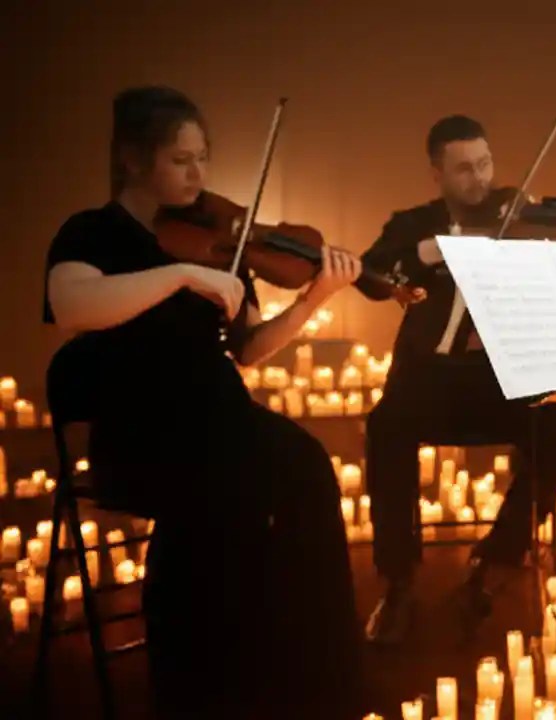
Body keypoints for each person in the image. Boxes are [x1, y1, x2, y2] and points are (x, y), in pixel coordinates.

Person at [42, 86, 366, 718]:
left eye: (202, 159)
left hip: (220, 415)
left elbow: (247, 348)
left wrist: (313, 299)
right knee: (225, 492)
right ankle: (201, 684)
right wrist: (183, 277)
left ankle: (315, 679)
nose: (197, 174)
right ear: (134, 161)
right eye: (179, 160)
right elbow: (71, 306)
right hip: (141, 428)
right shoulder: (93, 232)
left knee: (305, 468)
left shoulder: (217, 237)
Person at [359, 115, 556, 645]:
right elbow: (370, 274)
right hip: (428, 384)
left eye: (485, 164)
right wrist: (426, 253)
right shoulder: (413, 224)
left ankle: (496, 560)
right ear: (437, 173)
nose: (479, 179)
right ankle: (398, 581)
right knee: (386, 427)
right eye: (464, 169)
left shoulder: (516, 214)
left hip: (500, 382)